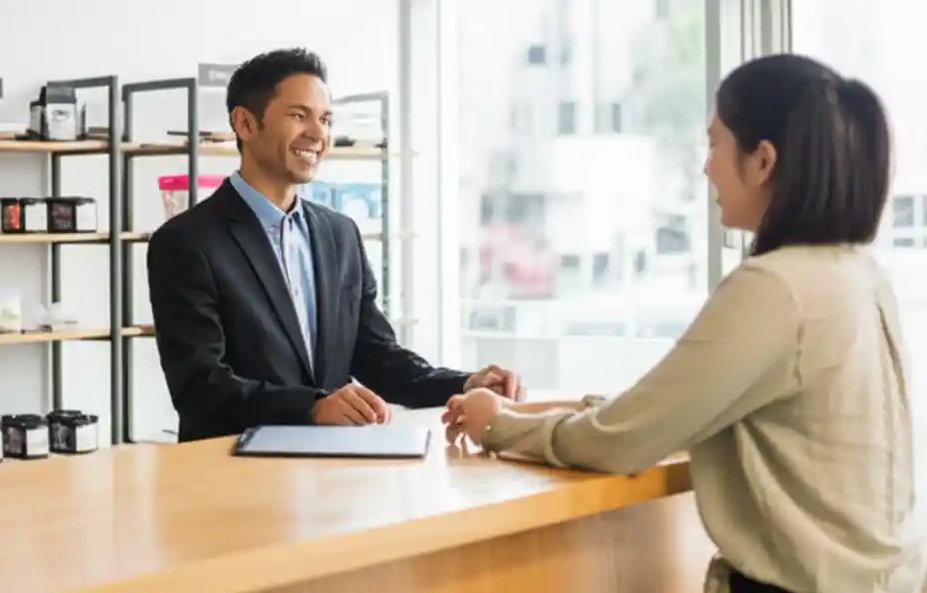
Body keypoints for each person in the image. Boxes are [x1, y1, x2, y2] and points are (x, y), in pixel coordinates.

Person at [443, 54, 923, 593]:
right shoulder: (857, 274)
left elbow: (624, 441)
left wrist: (497, 426)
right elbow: (684, 407)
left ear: (762, 161)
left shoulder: (776, 287)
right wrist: (549, 410)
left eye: (715, 144)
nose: (707, 168)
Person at [148, 48, 522, 442]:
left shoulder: (339, 234)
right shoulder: (186, 242)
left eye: (325, 119)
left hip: (331, 464)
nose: (318, 134)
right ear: (244, 123)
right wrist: (312, 407)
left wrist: (465, 385)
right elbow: (200, 388)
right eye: (299, 115)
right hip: (232, 465)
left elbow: (376, 356)